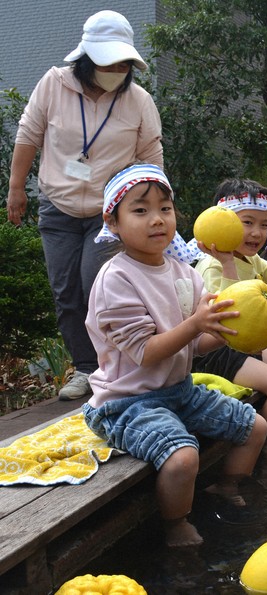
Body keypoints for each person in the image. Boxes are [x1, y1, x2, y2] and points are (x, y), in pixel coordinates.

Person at [82, 163, 267, 547]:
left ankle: (226, 486)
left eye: (165, 209)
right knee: (182, 457)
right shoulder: (116, 278)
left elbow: (195, 346)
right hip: (127, 402)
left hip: (178, 389)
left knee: (256, 427)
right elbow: (145, 353)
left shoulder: (185, 272)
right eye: (140, 210)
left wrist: (227, 333)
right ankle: (175, 524)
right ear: (112, 222)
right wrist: (197, 324)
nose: (156, 220)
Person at [7, 11, 163, 401]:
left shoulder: (138, 100)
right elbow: (29, 135)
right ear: (87, 58)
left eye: (124, 63)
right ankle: (86, 368)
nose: (118, 69)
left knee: (97, 284)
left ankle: (116, 368)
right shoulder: (53, 84)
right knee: (65, 291)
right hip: (56, 208)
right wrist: (16, 187)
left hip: (108, 214)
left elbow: (150, 156)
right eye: (110, 62)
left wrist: (155, 210)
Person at [192, 180, 267, 461]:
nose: (257, 233)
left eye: (263, 224)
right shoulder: (211, 264)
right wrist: (226, 264)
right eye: (247, 222)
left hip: (243, 347)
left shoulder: (253, 260)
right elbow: (225, 313)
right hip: (217, 352)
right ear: (222, 222)